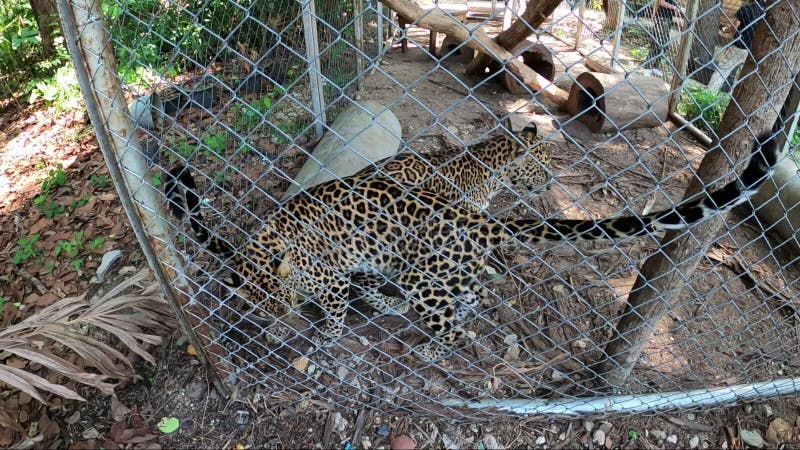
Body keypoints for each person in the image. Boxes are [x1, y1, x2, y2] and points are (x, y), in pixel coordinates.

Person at [708, 0, 767, 92]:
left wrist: (724, 28)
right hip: (753, 50)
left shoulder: (746, 9)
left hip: (739, 46)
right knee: (741, 76)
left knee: (723, 69)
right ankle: (732, 96)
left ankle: (710, 92)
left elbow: (734, 28)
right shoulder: (766, 14)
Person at [647, 0, 684, 68]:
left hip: (668, 19)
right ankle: (648, 66)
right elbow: (661, 2)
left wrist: (677, 9)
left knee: (664, 44)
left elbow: (674, 11)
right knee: (658, 42)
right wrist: (674, 7)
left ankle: (655, 66)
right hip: (662, 18)